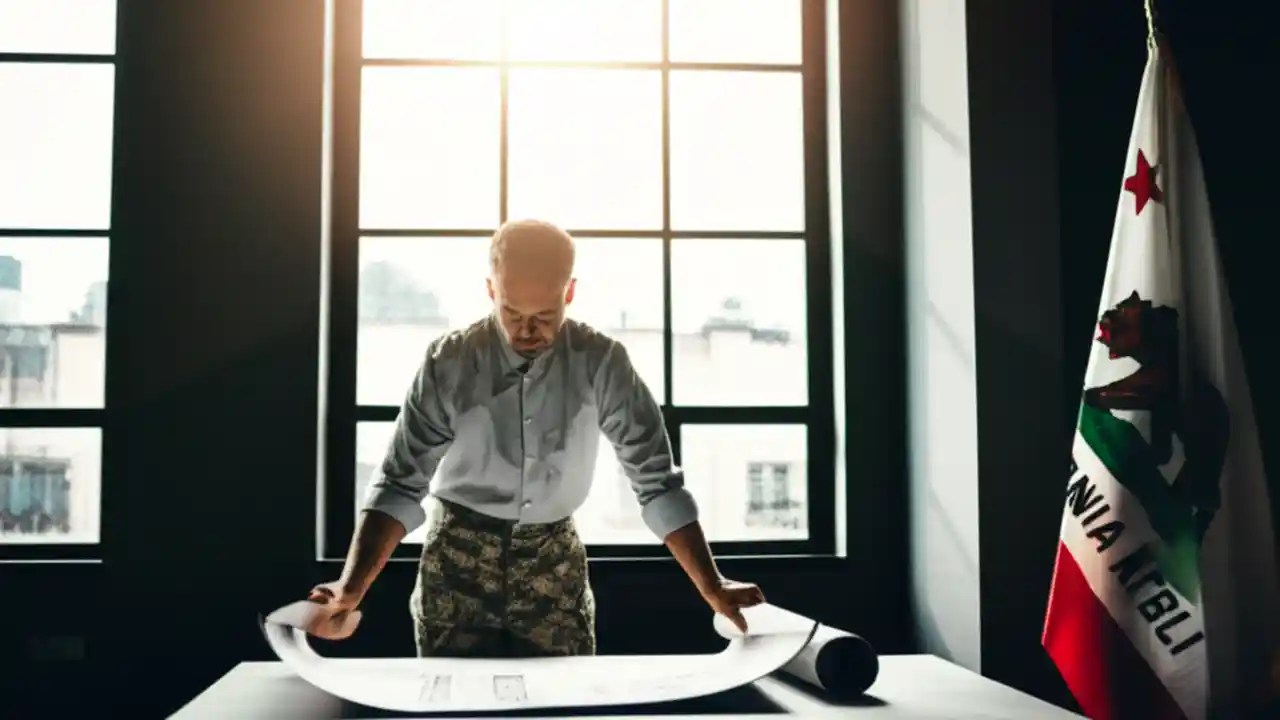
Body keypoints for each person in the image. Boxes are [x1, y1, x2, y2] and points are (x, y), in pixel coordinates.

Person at [304, 218, 764, 657]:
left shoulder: (602, 362)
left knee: (562, 709)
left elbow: (657, 481)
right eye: (511, 313)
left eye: (544, 315)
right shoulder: (449, 362)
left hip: (555, 565)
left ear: (570, 292)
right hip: (455, 566)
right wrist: (351, 587)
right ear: (490, 290)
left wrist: (712, 584)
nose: (527, 331)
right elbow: (401, 483)